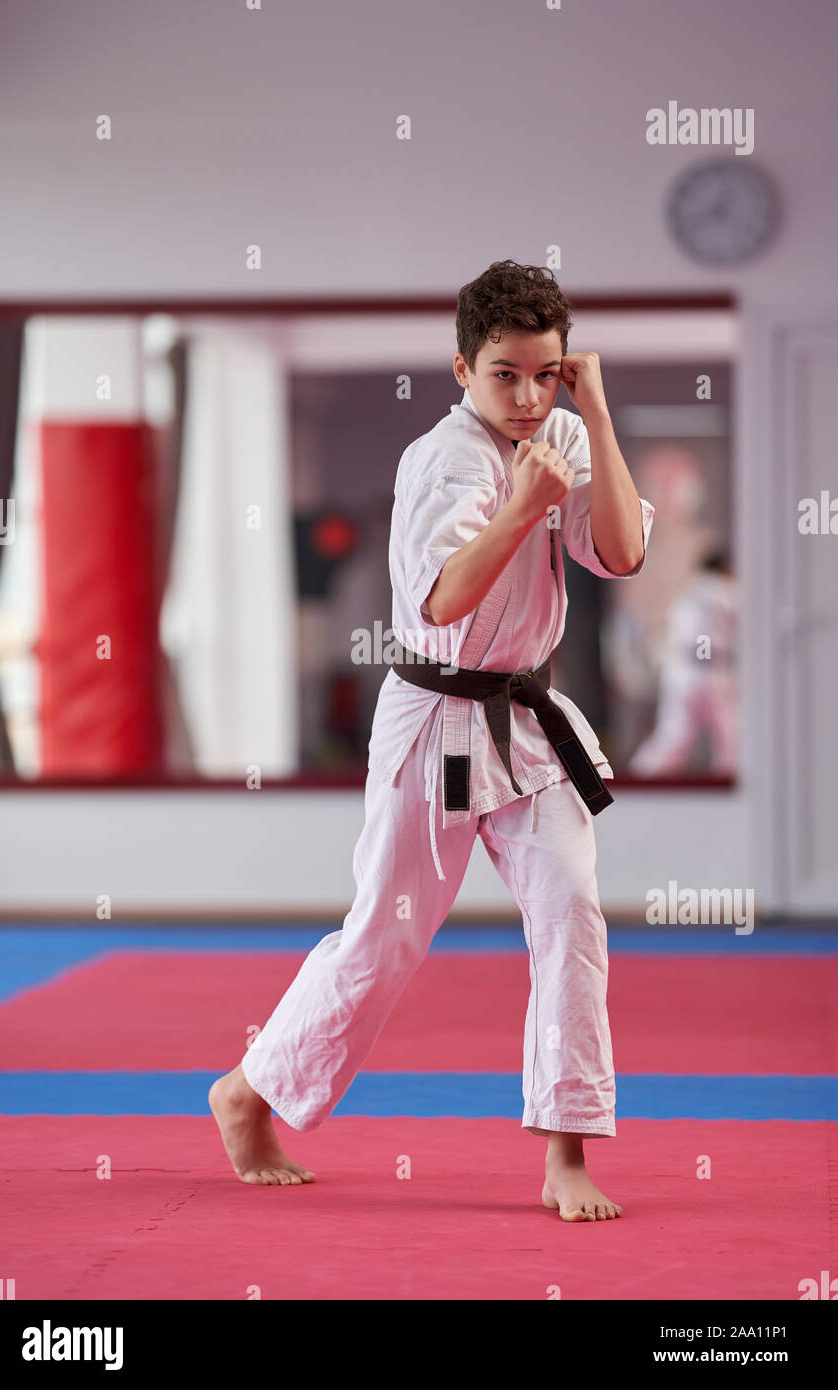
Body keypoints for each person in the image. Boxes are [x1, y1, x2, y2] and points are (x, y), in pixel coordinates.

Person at [210, 259, 655, 1222]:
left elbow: (620, 552)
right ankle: (249, 1094)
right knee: (386, 935)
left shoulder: (568, 432)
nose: (530, 397)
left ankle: (564, 1152)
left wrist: (603, 421)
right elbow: (442, 604)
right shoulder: (440, 460)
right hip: (436, 720)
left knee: (573, 911)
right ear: (462, 368)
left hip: (529, 722)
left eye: (547, 374)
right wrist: (525, 506)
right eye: (506, 374)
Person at [627, 550, 737, 776]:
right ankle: (734, 791)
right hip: (709, 672)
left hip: (682, 671)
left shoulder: (688, 594)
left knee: (676, 736)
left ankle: (639, 779)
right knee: (730, 738)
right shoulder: (719, 589)